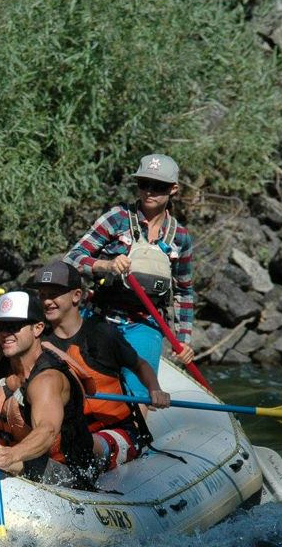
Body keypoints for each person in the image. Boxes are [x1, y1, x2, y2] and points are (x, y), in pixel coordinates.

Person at [64, 153, 196, 397]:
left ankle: (134, 429)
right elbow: (72, 258)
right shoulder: (116, 218)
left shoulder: (181, 237)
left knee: (138, 397)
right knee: (82, 389)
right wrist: (106, 265)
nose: (149, 191)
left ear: (173, 189)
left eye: (159, 186)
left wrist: (184, 340)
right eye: (144, 183)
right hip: (101, 318)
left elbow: (184, 291)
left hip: (146, 323)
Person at [30, 259, 171, 471]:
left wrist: (155, 389)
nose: (47, 301)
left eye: (54, 294)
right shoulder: (39, 338)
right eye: (42, 295)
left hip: (116, 431)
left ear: (76, 296)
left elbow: (140, 365)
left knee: (82, 443)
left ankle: (79, 452)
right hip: (69, 427)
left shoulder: (102, 333)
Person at [0, 289, 97, 489]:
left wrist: (10, 455)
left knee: (10, 465)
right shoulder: (4, 349)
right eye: (1, 326)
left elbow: (47, 431)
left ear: (37, 328)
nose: (6, 333)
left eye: (15, 326)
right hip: (14, 454)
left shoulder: (48, 378)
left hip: (68, 473)